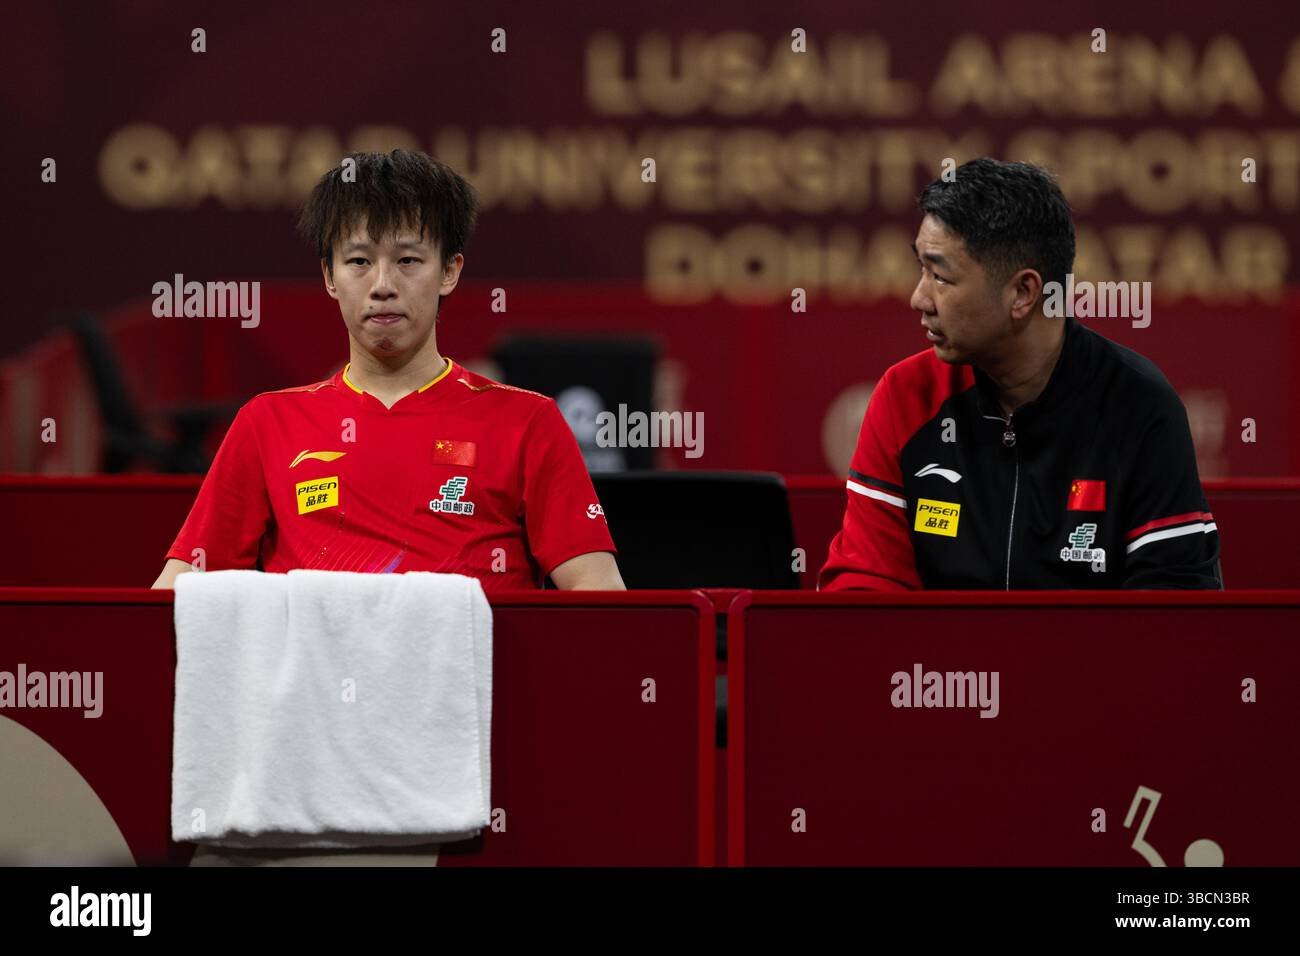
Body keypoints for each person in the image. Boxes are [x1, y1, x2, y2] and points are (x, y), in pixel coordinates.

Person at [153, 149, 623, 591]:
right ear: (329, 276)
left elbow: (598, 592)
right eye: (359, 261)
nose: (383, 285)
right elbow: (177, 594)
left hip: (476, 677)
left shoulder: (528, 422)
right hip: (313, 679)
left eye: (407, 261)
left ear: (449, 271)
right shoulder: (266, 424)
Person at [820, 158, 1221, 590]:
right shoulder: (906, 396)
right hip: (934, 660)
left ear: (1023, 292)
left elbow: (1173, 612)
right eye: (921, 269)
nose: (919, 298)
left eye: (940, 276)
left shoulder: (1140, 408)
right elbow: (862, 594)